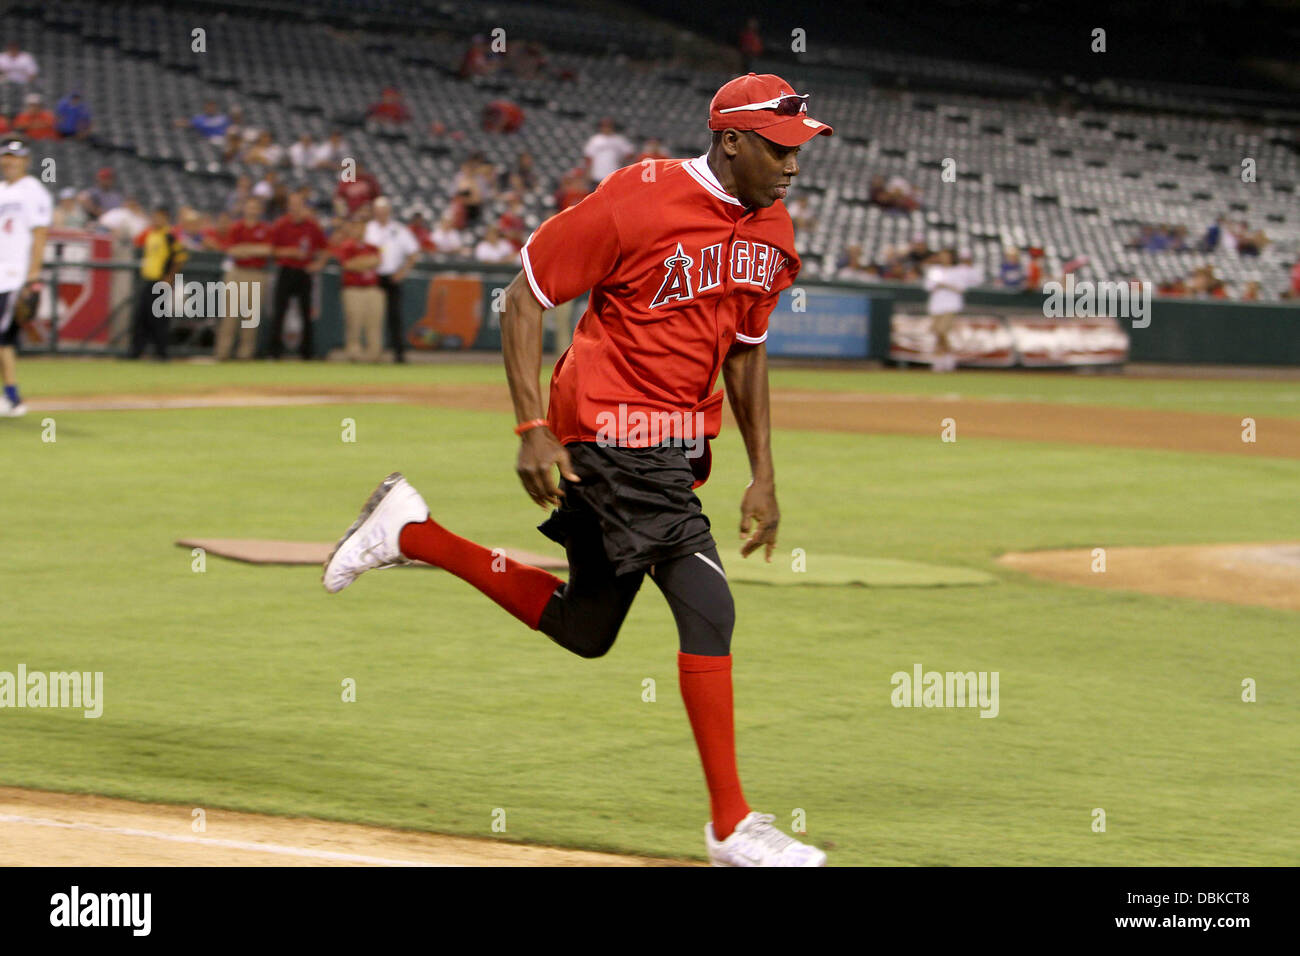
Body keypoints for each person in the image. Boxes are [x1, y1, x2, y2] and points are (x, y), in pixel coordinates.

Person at [321, 72, 834, 867]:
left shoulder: (775, 234)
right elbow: (524, 296)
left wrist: (764, 472)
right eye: (781, 148)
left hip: (672, 446)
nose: (794, 165)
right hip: (606, 427)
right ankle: (731, 825)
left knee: (586, 628)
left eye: (801, 149)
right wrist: (530, 426)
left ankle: (411, 531)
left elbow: (748, 354)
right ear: (731, 140)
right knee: (709, 603)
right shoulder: (640, 198)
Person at [0, 138, 50, 417]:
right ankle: (10, 397)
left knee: (3, 339)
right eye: (6, 155)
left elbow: (40, 234)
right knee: (4, 341)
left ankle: (13, 399)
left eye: (16, 157)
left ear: (26, 161)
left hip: (14, 276)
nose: (10, 161)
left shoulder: (33, 191)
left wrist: (33, 276)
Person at [267, 191, 329, 359]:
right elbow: (272, 251)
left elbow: (324, 249)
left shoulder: (311, 225)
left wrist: (318, 265)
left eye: (298, 204)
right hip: (286, 270)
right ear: (288, 206)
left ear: (303, 205)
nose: (295, 208)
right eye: (292, 204)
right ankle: (274, 352)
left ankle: (307, 353)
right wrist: (291, 252)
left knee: (306, 313)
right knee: (279, 312)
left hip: (304, 271)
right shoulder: (281, 224)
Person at [364, 197, 420, 363]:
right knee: (372, 317)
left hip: (391, 277)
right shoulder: (368, 228)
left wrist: (402, 272)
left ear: (389, 211)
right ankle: (372, 353)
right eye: (378, 210)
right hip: (371, 277)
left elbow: (414, 253)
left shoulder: (399, 230)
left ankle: (398, 354)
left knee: (394, 317)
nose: (381, 214)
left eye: (384, 210)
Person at [215, 197, 271, 361]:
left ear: (260, 210)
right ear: (244, 209)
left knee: (250, 317)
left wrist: (245, 249)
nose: (252, 210)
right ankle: (223, 353)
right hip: (237, 271)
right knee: (230, 314)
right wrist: (253, 249)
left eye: (255, 207)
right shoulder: (237, 227)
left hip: (257, 272)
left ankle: (245, 354)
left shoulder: (265, 229)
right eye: (250, 207)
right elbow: (231, 250)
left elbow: (267, 250)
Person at [128, 206, 187, 360]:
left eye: (160, 217)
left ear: (166, 218)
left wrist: (170, 277)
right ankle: (136, 352)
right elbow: (136, 241)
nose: (156, 220)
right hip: (148, 279)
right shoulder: (150, 234)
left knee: (159, 319)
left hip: (161, 281)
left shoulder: (170, 235)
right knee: (142, 317)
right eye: (155, 217)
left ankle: (161, 352)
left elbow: (179, 258)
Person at [332, 218, 385, 362]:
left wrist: (360, 262)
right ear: (352, 229)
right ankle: (354, 355)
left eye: (362, 227)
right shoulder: (347, 246)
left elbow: (378, 261)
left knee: (373, 323)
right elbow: (348, 265)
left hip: (372, 288)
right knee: (354, 323)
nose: (359, 230)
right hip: (353, 288)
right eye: (356, 227)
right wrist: (366, 262)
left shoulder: (372, 246)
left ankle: (374, 355)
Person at [923, 249, 978, 372]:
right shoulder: (935, 270)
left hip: (951, 305)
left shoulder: (958, 271)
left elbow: (961, 288)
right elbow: (929, 286)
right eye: (942, 256)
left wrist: (945, 285)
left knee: (942, 330)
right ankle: (940, 359)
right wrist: (941, 285)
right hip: (936, 305)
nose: (944, 258)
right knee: (937, 332)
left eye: (946, 256)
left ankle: (948, 357)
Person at [582, 118, 633, 185]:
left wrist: (623, 164)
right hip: (597, 175)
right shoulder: (595, 140)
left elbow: (629, 153)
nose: (606, 128)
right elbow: (588, 157)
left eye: (608, 126)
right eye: (604, 126)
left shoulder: (619, 139)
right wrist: (587, 173)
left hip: (614, 174)